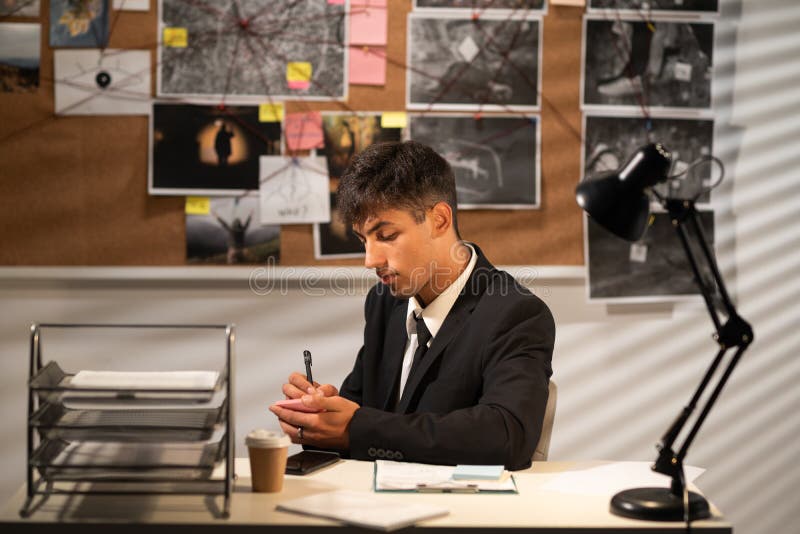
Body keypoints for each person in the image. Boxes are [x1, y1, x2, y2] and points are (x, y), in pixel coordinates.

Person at [269, 140, 554, 470]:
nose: (370, 260)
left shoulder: (516, 313)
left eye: (386, 236)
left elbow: (507, 436)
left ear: (440, 220)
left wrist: (356, 426)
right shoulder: (383, 303)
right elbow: (359, 411)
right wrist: (323, 414)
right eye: (363, 240)